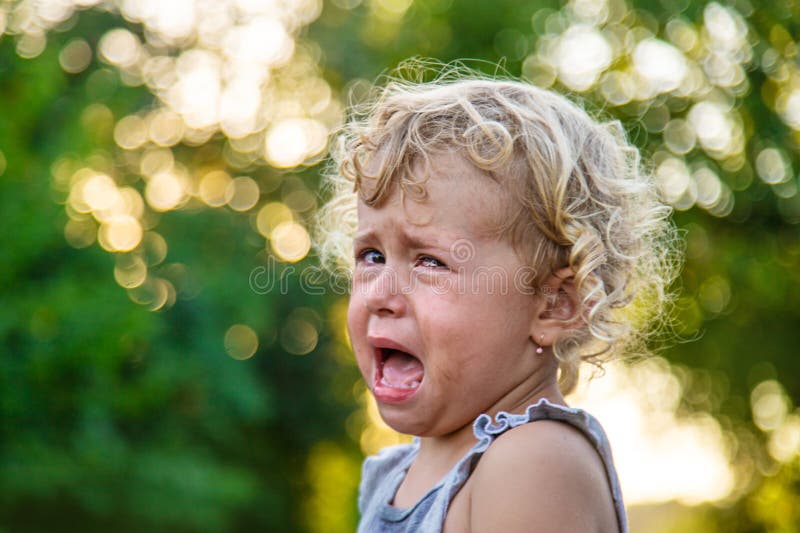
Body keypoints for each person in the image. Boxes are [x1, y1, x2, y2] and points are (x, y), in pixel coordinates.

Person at [316, 66, 678, 533]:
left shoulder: (533, 463)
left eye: (430, 262)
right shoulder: (394, 475)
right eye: (372, 255)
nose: (380, 294)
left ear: (554, 304)